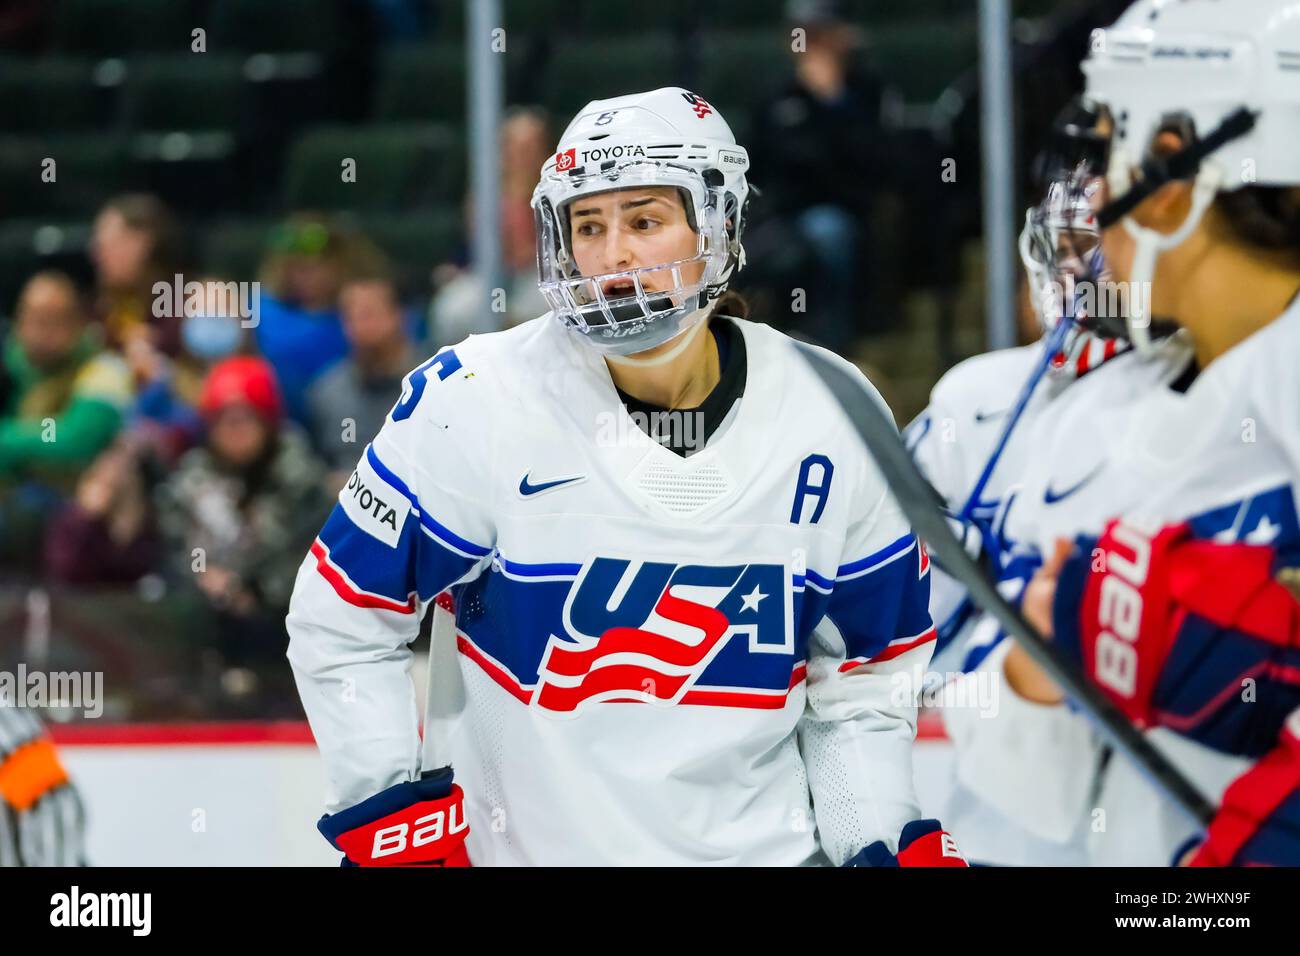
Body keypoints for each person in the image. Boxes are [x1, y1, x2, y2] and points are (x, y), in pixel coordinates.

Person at [286, 88, 961, 867]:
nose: (612, 256)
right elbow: (341, 620)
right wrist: (388, 814)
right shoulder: (473, 400)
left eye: (643, 221)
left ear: (720, 224)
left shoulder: (834, 409)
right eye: (588, 226)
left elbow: (861, 681)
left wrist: (870, 837)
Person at [960, 0, 1300, 866]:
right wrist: (1040, 673)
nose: (1094, 190)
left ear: (1176, 172)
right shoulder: (1086, 421)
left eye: (1111, 143)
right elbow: (1032, 797)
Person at [158, 357, 332, 704]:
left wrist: (253, 588)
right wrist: (201, 575)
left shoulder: (302, 483)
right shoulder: (189, 482)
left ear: (267, 423)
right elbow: (172, 550)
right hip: (209, 627)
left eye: (245, 419)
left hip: (285, 633)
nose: (235, 431)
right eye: (225, 419)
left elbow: (311, 562)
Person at [0, 272, 132, 565]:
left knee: (30, 510)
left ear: (76, 323)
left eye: (54, 319)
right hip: (11, 500)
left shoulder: (105, 368)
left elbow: (68, 441)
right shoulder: (10, 368)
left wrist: (8, 440)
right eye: (35, 319)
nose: (43, 330)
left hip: (80, 507)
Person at [306, 273, 420, 486]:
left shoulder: (430, 385)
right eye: (351, 317)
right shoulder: (326, 392)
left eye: (369, 315)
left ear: (400, 317)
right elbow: (315, 466)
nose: (360, 327)